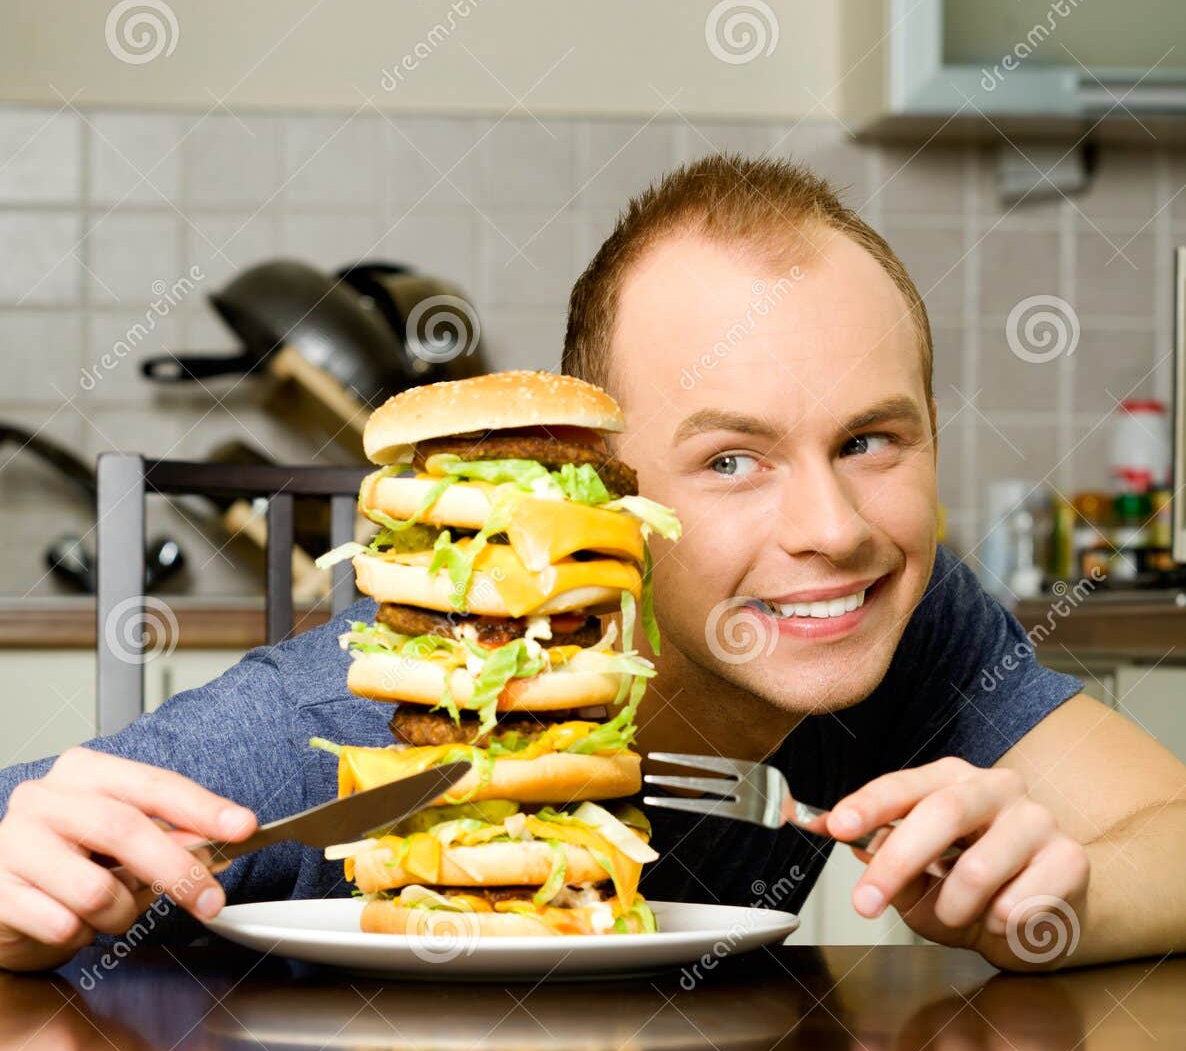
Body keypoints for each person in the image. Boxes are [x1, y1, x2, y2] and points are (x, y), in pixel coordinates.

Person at [0, 154, 1183, 973]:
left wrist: (1066, 894)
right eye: (731, 461)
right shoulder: (352, 726)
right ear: (604, 505)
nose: (832, 525)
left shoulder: (893, 623)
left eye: (870, 440)